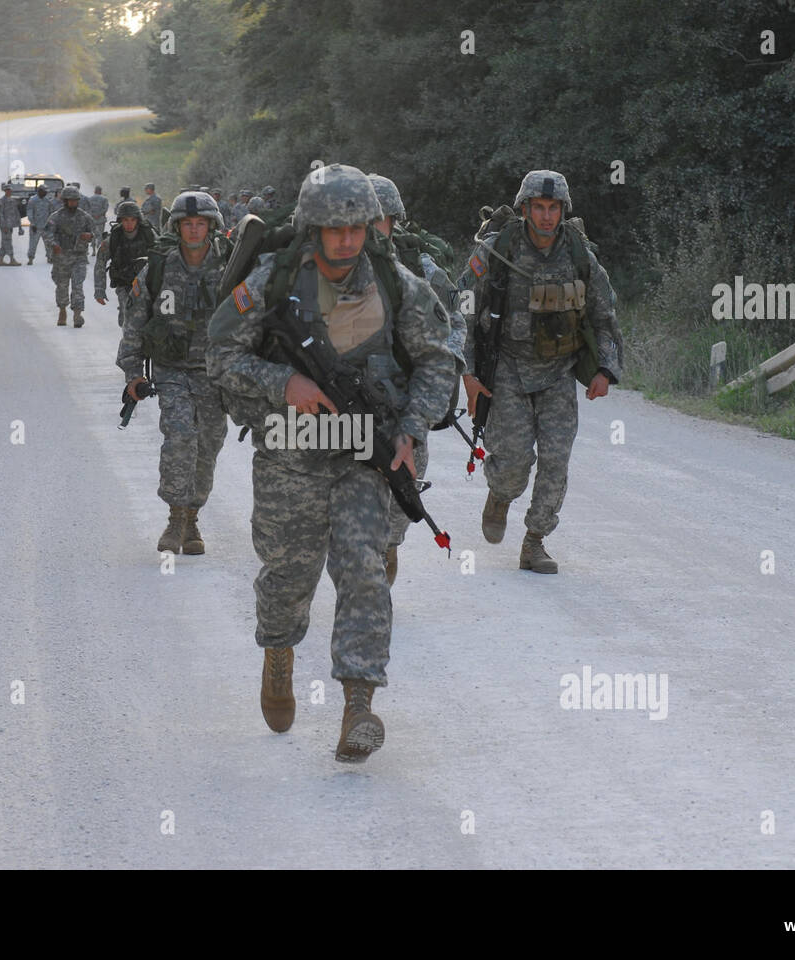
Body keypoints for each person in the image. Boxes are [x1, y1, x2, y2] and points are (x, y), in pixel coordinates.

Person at [206, 164, 454, 763]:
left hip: (363, 460)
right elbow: (217, 355)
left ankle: (359, 705)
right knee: (289, 577)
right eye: (333, 229)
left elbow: (437, 363)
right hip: (290, 455)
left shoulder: (398, 285)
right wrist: (282, 380)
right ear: (312, 228)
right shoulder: (271, 283)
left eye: (356, 228)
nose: (345, 240)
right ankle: (279, 652)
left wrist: (412, 431)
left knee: (365, 571)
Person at [458, 170, 624, 573]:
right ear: (525, 209)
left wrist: (605, 368)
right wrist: (468, 372)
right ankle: (500, 494)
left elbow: (605, 315)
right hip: (508, 370)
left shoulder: (581, 256)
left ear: (563, 211)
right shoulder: (498, 251)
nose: (547, 216)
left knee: (555, 458)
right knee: (514, 463)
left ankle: (535, 542)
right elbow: (461, 305)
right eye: (539, 207)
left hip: (558, 372)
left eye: (553, 208)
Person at [365, 172, 466, 584]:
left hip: (406, 400)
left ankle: (388, 547)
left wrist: (445, 365)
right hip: (349, 398)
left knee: (404, 481)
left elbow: (454, 320)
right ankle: (364, 562)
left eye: (381, 220)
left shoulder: (419, 268)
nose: (372, 229)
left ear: (395, 221)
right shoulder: (329, 267)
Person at [118, 192, 231, 555]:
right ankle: (175, 517)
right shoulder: (159, 267)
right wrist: (132, 373)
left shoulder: (231, 268)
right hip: (172, 371)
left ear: (211, 227)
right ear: (178, 227)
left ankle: (194, 516)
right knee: (180, 436)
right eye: (188, 224)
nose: (194, 230)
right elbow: (135, 322)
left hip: (215, 373)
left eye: (201, 224)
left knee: (209, 444)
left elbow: (254, 321)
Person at [95, 199, 156, 328]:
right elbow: (100, 263)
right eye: (125, 220)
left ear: (138, 220)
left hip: (146, 283)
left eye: (132, 220)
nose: (129, 224)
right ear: (120, 220)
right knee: (127, 316)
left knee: (146, 317)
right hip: (124, 283)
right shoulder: (113, 239)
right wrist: (100, 290)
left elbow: (162, 256)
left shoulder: (149, 235)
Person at [44, 185, 95, 327]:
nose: (73, 203)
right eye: (70, 200)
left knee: (78, 286)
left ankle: (77, 314)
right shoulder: (56, 217)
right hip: (62, 257)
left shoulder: (84, 217)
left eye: (75, 200)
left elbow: (94, 232)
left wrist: (89, 236)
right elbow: (48, 233)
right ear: (65, 201)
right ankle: (62, 310)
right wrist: (53, 245)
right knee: (62, 285)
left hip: (79, 257)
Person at [0, 184, 22, 266]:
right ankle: (12, 259)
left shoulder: (13, 201)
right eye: (7, 190)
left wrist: (19, 226)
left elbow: (17, 213)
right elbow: (0, 214)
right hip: (5, 226)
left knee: (4, 242)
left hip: (11, 225)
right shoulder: (1, 201)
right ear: (5, 191)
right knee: (8, 242)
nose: (9, 191)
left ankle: (0, 260)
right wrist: (4, 226)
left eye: (10, 190)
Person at [26, 185, 52, 265]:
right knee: (33, 243)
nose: (46, 193)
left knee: (49, 243)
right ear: (40, 191)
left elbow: (50, 212)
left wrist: (49, 222)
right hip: (36, 226)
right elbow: (30, 212)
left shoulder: (47, 200)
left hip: (45, 226)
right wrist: (33, 224)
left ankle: (50, 257)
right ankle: (30, 258)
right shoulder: (33, 200)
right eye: (44, 191)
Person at [85, 186, 110, 254]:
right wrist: (99, 215)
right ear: (100, 191)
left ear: (95, 191)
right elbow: (105, 208)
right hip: (101, 220)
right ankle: (99, 248)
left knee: (92, 235)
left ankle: (93, 250)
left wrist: (93, 215)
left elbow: (87, 209)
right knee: (100, 235)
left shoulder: (90, 199)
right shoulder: (104, 199)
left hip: (92, 220)